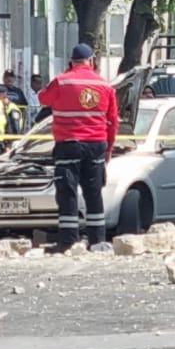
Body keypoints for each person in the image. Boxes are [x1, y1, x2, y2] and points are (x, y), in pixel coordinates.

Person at [38, 43, 121, 253]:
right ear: (92, 61)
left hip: (69, 144)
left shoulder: (62, 81)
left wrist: (66, 74)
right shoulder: (105, 85)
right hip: (96, 144)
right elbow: (113, 120)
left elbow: (43, 98)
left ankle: (68, 241)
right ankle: (97, 240)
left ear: (71, 61)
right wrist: (109, 149)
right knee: (93, 192)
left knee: (67, 191)